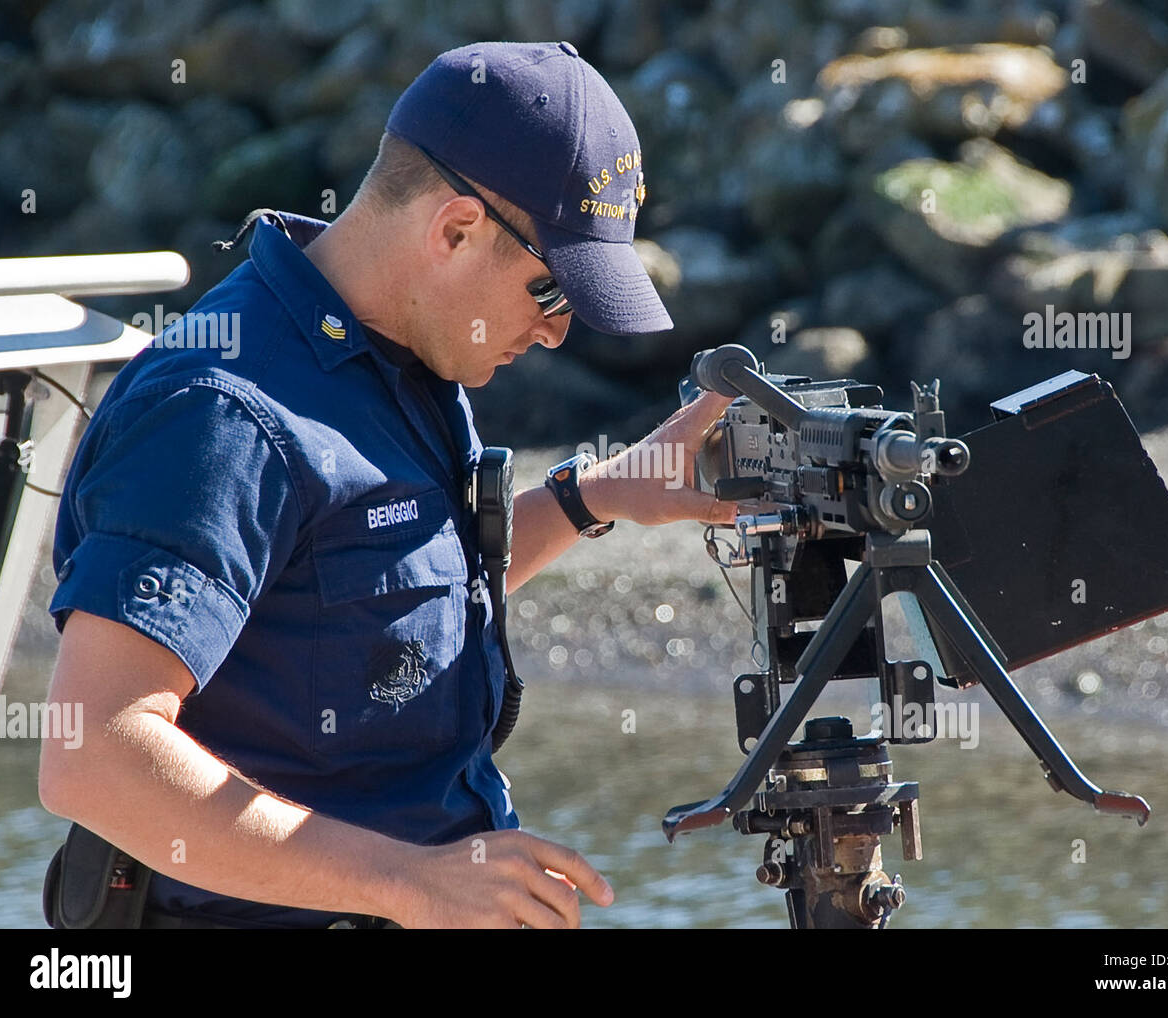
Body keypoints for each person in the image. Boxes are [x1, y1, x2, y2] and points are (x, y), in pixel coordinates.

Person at [37, 40, 737, 929]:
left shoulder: (400, 351)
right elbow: (93, 753)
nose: (557, 335)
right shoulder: (218, 415)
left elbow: (375, 606)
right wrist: (412, 883)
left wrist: (595, 496)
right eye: (553, 294)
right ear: (454, 229)